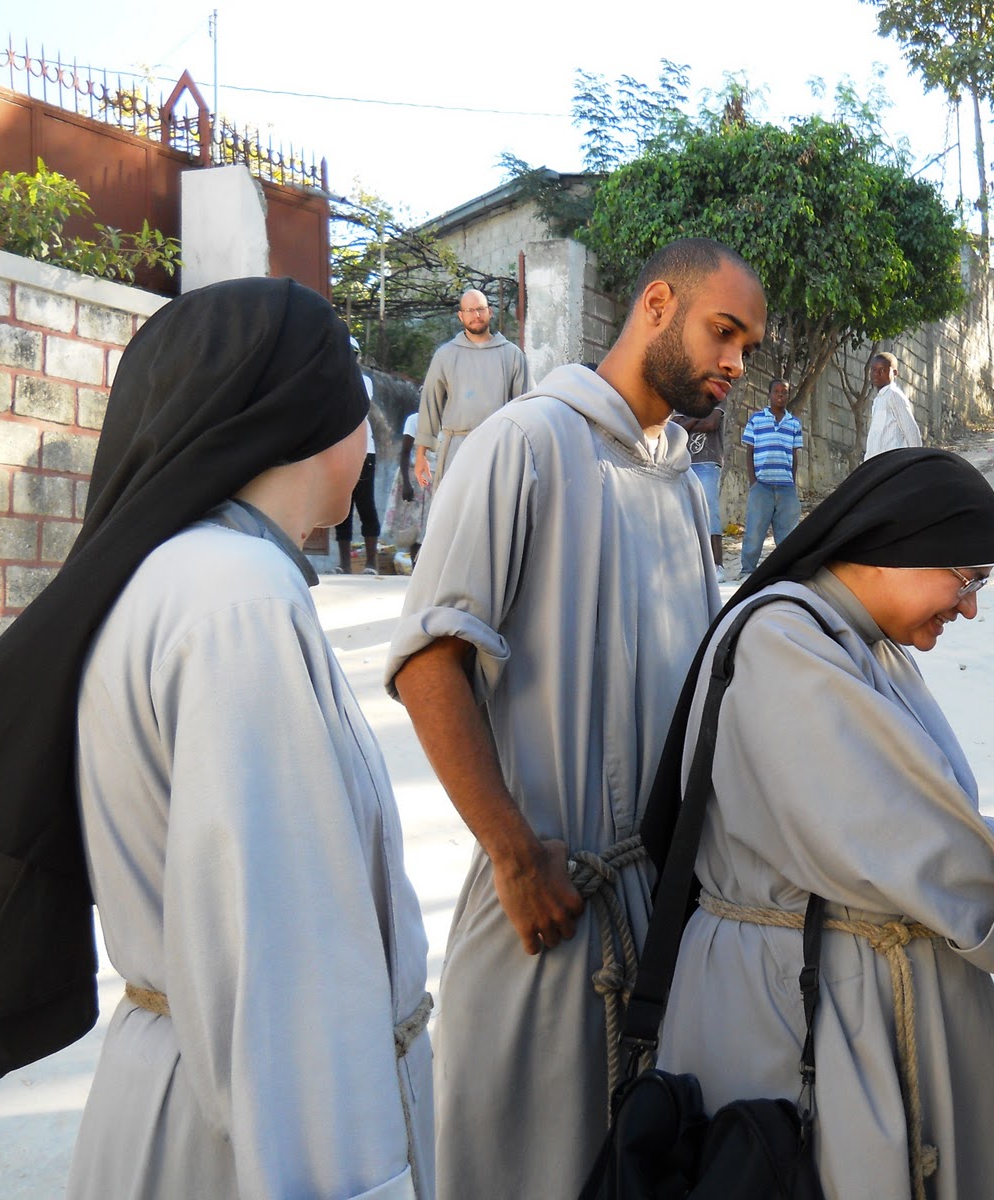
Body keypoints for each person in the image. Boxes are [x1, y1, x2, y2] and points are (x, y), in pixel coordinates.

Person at [0, 278, 434, 1198]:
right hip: (245, 1141)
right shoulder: (234, 597)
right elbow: (285, 960)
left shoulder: (193, 577)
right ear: (309, 413)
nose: (374, 435)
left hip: (201, 1101)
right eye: (360, 406)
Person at [385, 238, 765, 1198]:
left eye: (748, 346)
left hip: (653, 915)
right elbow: (430, 659)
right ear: (655, 304)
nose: (735, 363)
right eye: (724, 333)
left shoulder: (682, 487)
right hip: (544, 912)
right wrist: (514, 855)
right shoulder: (526, 442)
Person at [647, 448, 994, 1200]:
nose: (970, 609)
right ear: (896, 548)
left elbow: (902, 823)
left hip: (843, 972)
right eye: (967, 581)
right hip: (793, 1002)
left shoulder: (858, 641)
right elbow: (884, 832)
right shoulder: (785, 642)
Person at [413, 287, 530, 494]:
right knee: (454, 515)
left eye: (480, 309)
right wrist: (421, 454)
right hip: (456, 449)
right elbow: (430, 403)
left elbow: (527, 408)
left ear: (490, 312)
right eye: (469, 310)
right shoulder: (445, 355)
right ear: (461, 316)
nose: (476, 315)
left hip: (498, 449)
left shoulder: (512, 355)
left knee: (496, 513)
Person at [740, 377, 803, 576]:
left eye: (784, 392)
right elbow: (749, 452)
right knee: (755, 530)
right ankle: (748, 570)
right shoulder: (756, 419)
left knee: (788, 533)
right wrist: (754, 482)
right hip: (762, 485)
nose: (780, 395)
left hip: (786, 487)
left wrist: (792, 482)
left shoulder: (794, 423)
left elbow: (794, 456)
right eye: (776, 391)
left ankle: (788, 570)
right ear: (769, 394)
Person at [671, 397, 729, 581]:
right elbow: (675, 426)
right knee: (685, 514)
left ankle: (717, 565)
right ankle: (689, 565)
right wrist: (700, 416)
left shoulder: (718, 397)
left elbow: (711, 424)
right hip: (686, 462)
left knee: (710, 512)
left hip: (708, 461)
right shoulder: (685, 395)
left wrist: (689, 420)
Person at [334, 368, 381, 573]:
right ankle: (344, 565)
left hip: (364, 451)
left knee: (365, 504)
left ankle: (371, 563)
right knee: (342, 507)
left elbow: (359, 402)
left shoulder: (364, 381)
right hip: (338, 449)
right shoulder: (332, 378)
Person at [383, 409, 432, 565]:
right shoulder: (415, 420)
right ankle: (416, 571)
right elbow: (405, 453)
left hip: (437, 478)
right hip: (416, 478)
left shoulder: (448, 421)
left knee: (432, 530)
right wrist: (406, 483)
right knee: (415, 531)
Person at [864, 350, 923, 458]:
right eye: (873, 370)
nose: (876, 374)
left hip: (892, 463)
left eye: (882, 370)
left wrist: (917, 462)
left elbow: (911, 431)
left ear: (895, 373)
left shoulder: (894, 396)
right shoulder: (879, 399)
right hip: (877, 463)